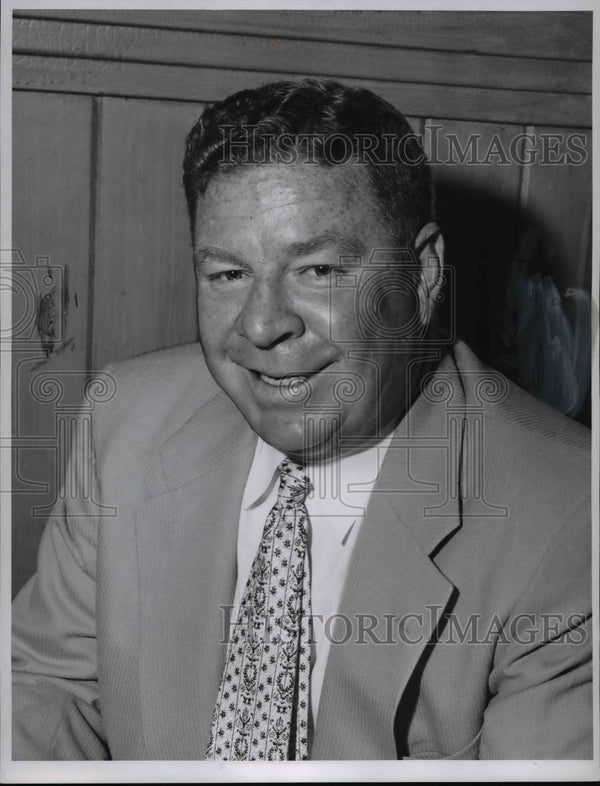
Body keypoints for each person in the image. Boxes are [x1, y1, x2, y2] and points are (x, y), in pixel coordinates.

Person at [12, 79, 592, 761]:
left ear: (424, 273)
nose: (261, 326)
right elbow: (49, 687)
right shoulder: (126, 419)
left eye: (316, 269)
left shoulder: (571, 517)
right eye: (227, 275)